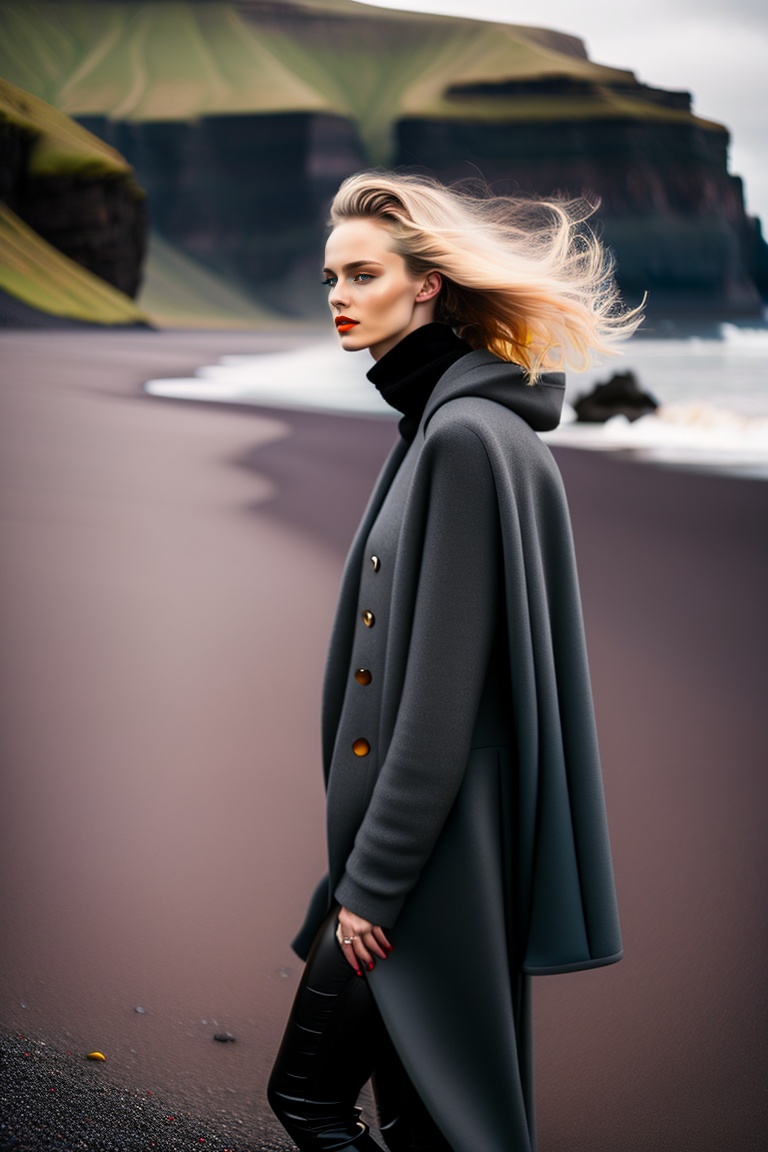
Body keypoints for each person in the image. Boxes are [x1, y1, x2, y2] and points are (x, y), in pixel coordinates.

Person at [267, 172, 642, 1152]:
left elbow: (439, 708)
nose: (340, 296)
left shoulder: (465, 440)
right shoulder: (440, 426)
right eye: (329, 279)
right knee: (425, 1128)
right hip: (418, 867)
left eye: (363, 274)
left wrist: (370, 891)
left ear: (427, 285)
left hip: (420, 879)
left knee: (314, 1102)